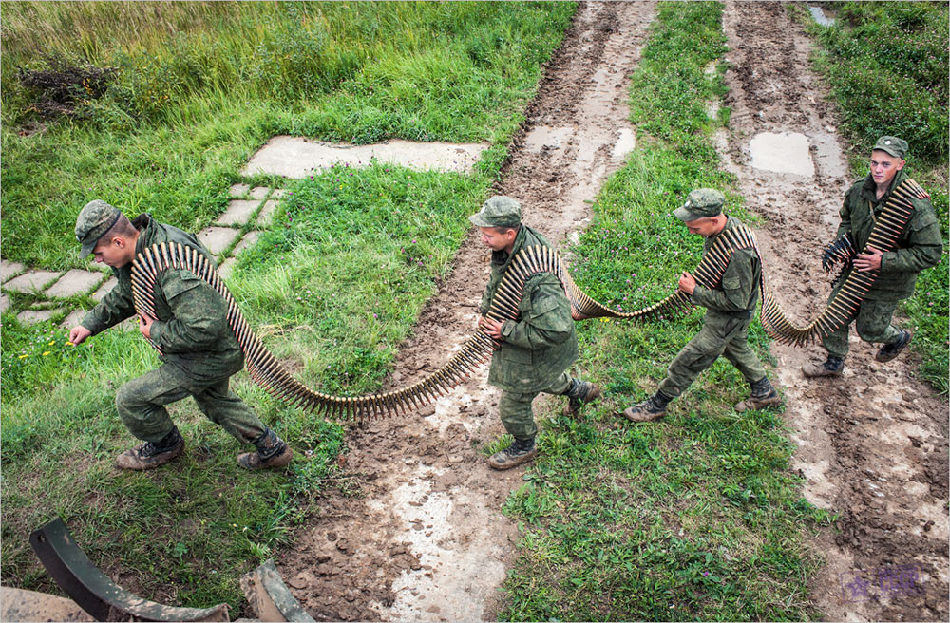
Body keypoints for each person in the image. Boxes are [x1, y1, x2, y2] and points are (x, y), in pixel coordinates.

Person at [68, 199, 292, 471]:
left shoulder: (171, 267)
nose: (97, 260)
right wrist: (90, 324)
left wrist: (156, 331)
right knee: (214, 400)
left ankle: (165, 444)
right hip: (208, 346)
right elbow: (128, 292)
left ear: (118, 241)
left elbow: (204, 327)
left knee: (131, 400)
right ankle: (272, 449)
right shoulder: (144, 246)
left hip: (207, 352)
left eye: (98, 253)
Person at [623, 189, 781, 422]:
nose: (691, 231)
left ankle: (657, 405)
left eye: (695, 228)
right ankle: (764, 392)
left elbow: (736, 303)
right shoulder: (726, 230)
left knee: (690, 359)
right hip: (731, 314)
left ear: (714, 220)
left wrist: (694, 291)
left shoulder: (738, 253)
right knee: (736, 347)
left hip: (729, 317)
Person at [473, 196, 600, 469]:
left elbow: (556, 330)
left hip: (539, 345)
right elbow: (498, 281)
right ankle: (579, 391)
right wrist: (487, 311)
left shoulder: (539, 279)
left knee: (513, 403)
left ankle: (525, 445)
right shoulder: (512, 247)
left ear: (509, 233)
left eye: (488, 234)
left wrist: (506, 330)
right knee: (545, 378)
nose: (483, 239)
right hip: (532, 340)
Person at [803, 136, 942, 377]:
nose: (878, 169)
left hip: (888, 282)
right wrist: (844, 241)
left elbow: (930, 253)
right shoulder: (859, 191)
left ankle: (898, 337)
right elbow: (847, 218)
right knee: (834, 315)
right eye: (874, 162)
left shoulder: (914, 206)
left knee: (870, 330)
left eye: (886, 164)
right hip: (856, 270)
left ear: (900, 164)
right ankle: (834, 362)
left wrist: (884, 261)